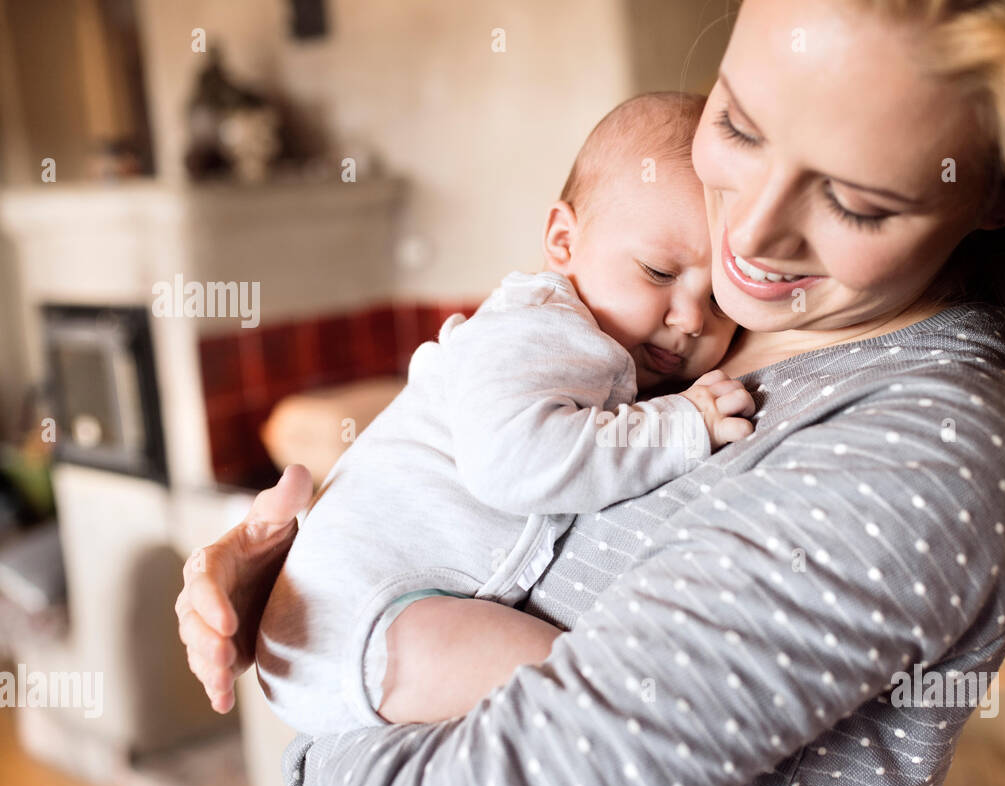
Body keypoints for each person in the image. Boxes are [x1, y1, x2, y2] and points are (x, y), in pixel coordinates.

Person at [177, 0, 1005, 786]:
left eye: (856, 202)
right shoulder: (701, 332)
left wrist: (322, 749)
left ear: (994, 191)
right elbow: (487, 508)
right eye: (738, 124)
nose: (748, 235)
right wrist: (307, 576)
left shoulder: (928, 448)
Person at [256, 92, 747, 739]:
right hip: (356, 620)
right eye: (658, 271)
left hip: (360, 627)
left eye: (716, 297)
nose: (688, 319)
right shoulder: (544, 328)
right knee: (592, 699)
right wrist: (681, 427)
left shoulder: (580, 343)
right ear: (563, 241)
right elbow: (511, 464)